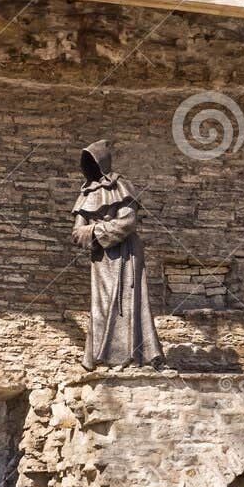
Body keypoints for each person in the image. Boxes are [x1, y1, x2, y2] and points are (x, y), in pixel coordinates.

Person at [72, 140, 164, 371]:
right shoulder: (85, 192)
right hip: (101, 259)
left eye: (93, 161)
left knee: (129, 303)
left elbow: (127, 222)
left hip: (126, 254)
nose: (90, 166)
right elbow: (76, 232)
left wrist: (94, 230)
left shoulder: (120, 185)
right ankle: (101, 355)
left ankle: (134, 354)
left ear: (102, 162)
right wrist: (94, 232)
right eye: (87, 163)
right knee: (101, 306)